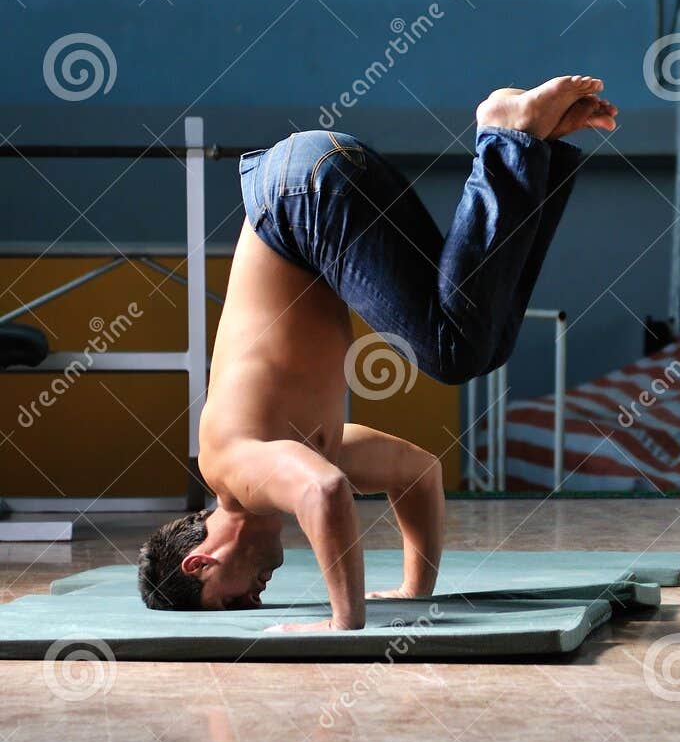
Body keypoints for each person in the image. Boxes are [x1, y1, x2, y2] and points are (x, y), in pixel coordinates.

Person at [136, 76, 617, 631]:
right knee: (485, 345)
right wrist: (414, 590)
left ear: (200, 563)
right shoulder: (298, 449)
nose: (254, 602)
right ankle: (535, 144)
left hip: (298, 199)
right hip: (317, 179)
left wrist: (343, 622)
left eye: (230, 601)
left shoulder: (233, 469)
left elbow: (325, 492)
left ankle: (506, 138)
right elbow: (418, 474)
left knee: (452, 352)